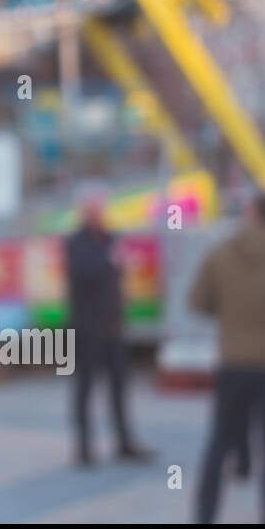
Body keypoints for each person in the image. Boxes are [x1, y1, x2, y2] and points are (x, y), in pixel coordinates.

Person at [190, 193, 265, 524]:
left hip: (233, 359)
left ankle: (203, 515)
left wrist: (230, 313)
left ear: (254, 213)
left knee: (219, 444)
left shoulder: (223, 251)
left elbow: (197, 301)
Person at [64, 185, 149, 466]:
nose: (97, 213)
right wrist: (110, 262)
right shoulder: (76, 242)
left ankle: (124, 442)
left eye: (100, 208)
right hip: (87, 327)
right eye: (92, 209)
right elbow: (80, 272)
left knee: (119, 386)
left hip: (113, 326)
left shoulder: (112, 238)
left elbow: (118, 271)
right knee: (85, 388)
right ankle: (84, 448)